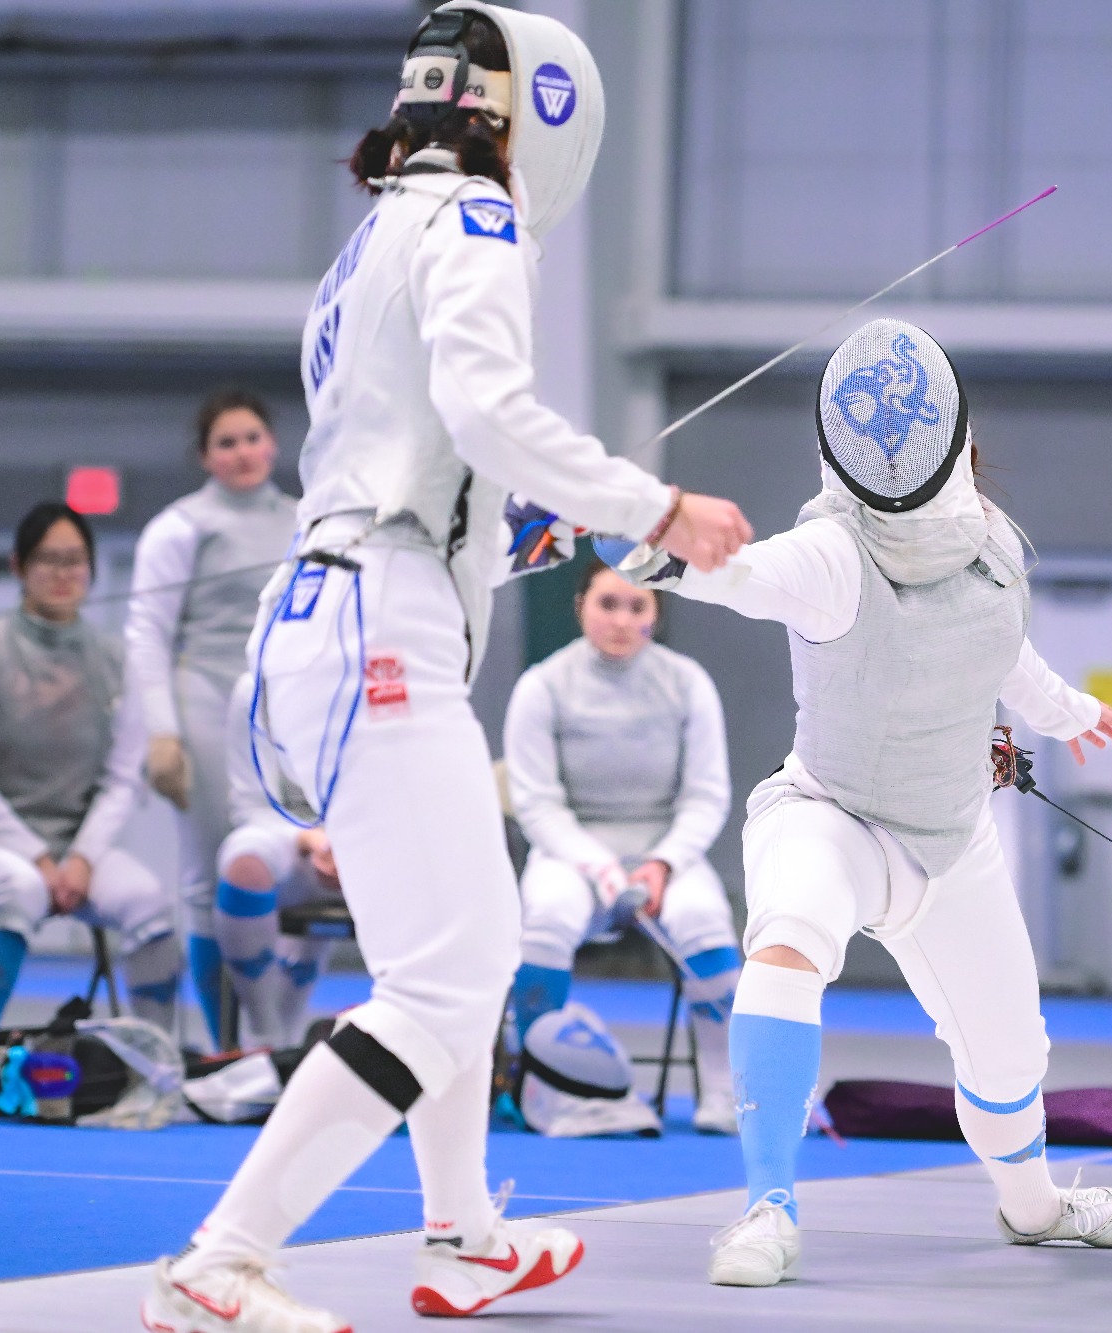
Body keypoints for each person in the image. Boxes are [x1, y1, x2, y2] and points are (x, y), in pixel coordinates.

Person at [141, 6, 750, 1329]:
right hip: (379, 626)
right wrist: (652, 505)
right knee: (446, 976)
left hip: (343, 606)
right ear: (525, 119)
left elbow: (419, 465)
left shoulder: (375, 235)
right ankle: (219, 1263)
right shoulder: (477, 217)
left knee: (460, 955)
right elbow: (485, 410)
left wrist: (529, 527)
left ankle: (465, 1235)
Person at [616, 319, 1112, 1287]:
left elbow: (1002, 647)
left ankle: (1035, 1208)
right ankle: (766, 1206)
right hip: (829, 815)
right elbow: (740, 572)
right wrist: (646, 541)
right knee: (788, 939)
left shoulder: (993, 545)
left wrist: (1064, 710)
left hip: (950, 842)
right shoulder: (832, 554)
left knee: (1010, 1051)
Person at [504, 560, 740, 1134]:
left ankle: (723, 1089)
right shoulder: (542, 686)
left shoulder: (687, 683)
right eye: (607, 604)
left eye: (638, 606)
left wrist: (662, 864)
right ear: (580, 606)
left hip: (665, 855)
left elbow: (707, 797)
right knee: (546, 916)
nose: (621, 620)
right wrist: (599, 868)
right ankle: (539, 1082)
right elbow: (537, 803)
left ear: (656, 613)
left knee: (705, 917)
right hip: (572, 857)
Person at [0, 502, 179, 1033]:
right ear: (18, 566)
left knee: (148, 903)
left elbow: (121, 780)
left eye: (75, 560)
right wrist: (38, 857)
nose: (63, 573)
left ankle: (156, 1055)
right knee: (18, 887)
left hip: (77, 849)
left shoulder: (116, 661)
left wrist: (83, 858)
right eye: (49, 559)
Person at [126, 388, 298, 1048]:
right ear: (205, 456)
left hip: (287, 710)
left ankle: (276, 1036)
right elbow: (147, 631)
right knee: (208, 877)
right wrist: (162, 731)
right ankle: (228, 1042)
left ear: (273, 444)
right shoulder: (179, 526)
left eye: (252, 437)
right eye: (226, 442)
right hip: (204, 704)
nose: (243, 452)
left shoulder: (309, 518)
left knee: (287, 865)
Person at [213, 671, 340, 1051]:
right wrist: (311, 838)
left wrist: (352, 840)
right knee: (244, 862)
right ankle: (265, 1036)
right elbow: (250, 803)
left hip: (374, 843)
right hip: (292, 839)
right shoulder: (255, 688)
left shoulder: (380, 679)